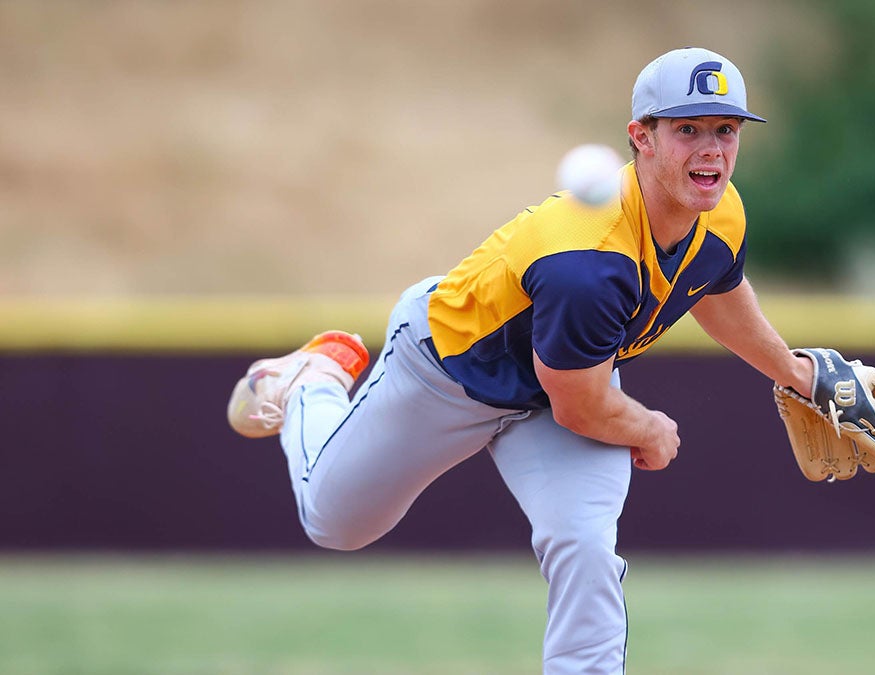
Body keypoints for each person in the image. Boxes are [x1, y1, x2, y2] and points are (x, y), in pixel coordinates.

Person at [226, 46, 814, 674]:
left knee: (584, 545)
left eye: (726, 129)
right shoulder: (589, 262)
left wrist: (798, 375)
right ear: (641, 137)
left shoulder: (721, 210)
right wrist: (650, 427)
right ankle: (311, 380)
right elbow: (582, 406)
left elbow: (715, 288)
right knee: (336, 524)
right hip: (449, 371)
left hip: (562, 380)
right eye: (686, 130)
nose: (712, 150)